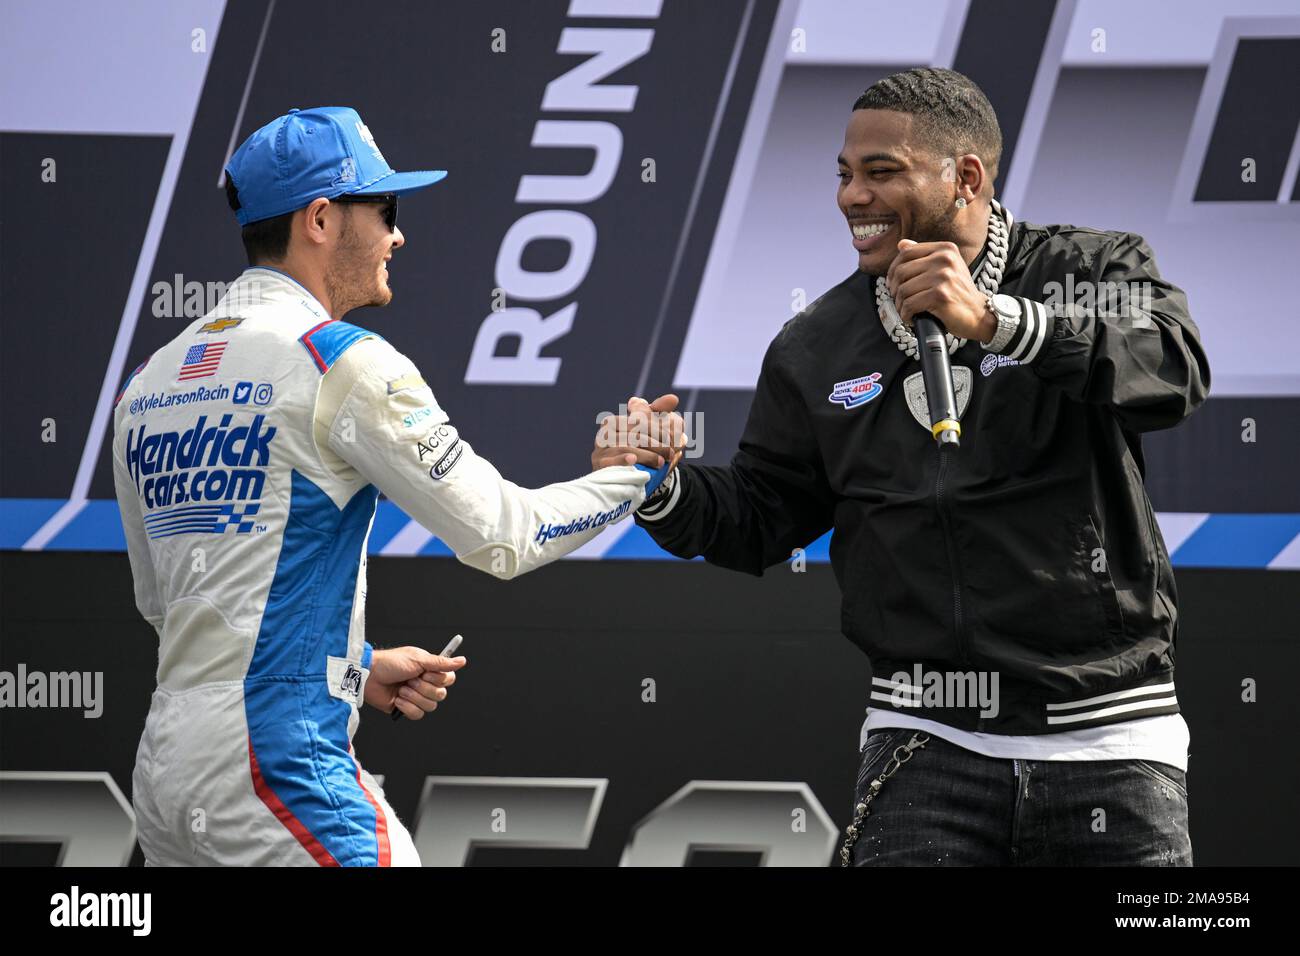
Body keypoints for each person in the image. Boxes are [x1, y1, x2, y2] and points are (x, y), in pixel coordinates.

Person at [606, 69, 1210, 866]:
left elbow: (1172, 369)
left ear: (967, 179)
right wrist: (657, 484)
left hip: (1109, 741)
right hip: (921, 744)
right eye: (845, 175)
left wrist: (999, 322)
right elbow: (761, 516)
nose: (852, 196)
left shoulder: (1088, 268)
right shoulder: (814, 341)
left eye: (881, 172)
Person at [112, 106, 670, 866]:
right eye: (385, 208)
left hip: (165, 779)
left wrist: (354, 664)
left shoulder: (148, 382)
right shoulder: (339, 359)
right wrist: (625, 479)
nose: (397, 235)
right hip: (277, 768)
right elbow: (504, 535)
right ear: (319, 218)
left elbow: (171, 608)